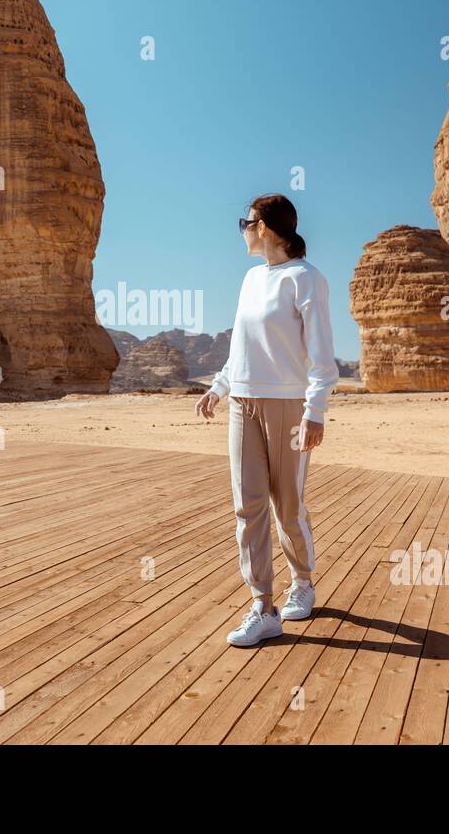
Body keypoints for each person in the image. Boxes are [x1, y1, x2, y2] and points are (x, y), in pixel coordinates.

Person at [196, 193, 338, 647]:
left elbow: (321, 358)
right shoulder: (251, 279)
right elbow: (242, 346)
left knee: (287, 505)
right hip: (243, 403)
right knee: (248, 505)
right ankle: (263, 604)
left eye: (246, 221)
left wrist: (315, 412)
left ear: (267, 227)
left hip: (289, 406)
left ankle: (303, 583)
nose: (242, 229)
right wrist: (219, 388)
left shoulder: (306, 280)